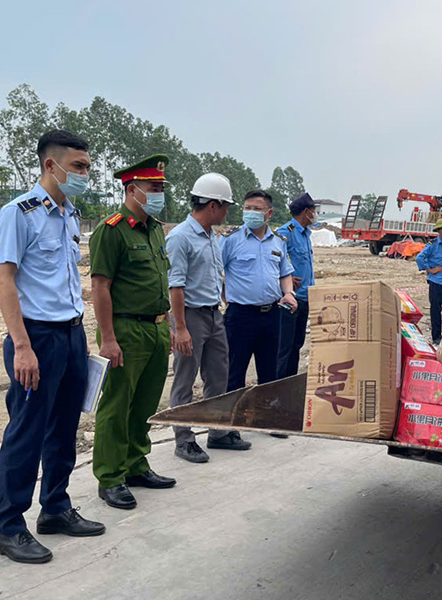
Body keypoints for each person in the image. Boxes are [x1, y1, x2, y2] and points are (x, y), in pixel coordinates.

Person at [0, 129, 105, 564]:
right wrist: (21, 346)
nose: (84, 175)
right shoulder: (19, 213)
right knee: (26, 433)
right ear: (50, 165)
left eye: (87, 167)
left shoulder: (70, 214)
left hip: (71, 334)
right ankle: (9, 527)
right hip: (35, 338)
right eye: (78, 167)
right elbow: (4, 280)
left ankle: (55, 508)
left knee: (64, 428)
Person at [89, 154, 177, 510]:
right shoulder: (111, 230)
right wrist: (108, 339)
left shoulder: (155, 228)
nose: (158, 194)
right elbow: (100, 287)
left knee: (144, 402)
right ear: (131, 189)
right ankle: (110, 476)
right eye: (153, 188)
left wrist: (168, 325)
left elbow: (160, 281)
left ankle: (137, 464)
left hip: (155, 328)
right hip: (124, 330)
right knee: (117, 405)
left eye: (160, 188)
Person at [167, 173, 247, 463]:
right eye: (225, 206)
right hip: (191, 316)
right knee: (185, 379)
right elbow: (175, 286)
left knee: (218, 376)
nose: (227, 212)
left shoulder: (212, 236)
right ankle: (184, 439)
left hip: (214, 315)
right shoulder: (180, 237)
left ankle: (218, 432)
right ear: (212, 205)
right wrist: (181, 328)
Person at [222, 190, 297, 404]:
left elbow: (285, 273)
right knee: (234, 371)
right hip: (240, 316)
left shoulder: (278, 241)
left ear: (269, 213)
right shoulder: (231, 239)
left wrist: (289, 293)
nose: (251, 213)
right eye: (247, 208)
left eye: (257, 209)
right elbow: (215, 271)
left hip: (271, 315)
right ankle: (232, 424)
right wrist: (227, 298)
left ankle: (269, 417)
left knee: (270, 371)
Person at [276, 192, 317, 379]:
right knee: (284, 347)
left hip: (305, 298)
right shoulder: (286, 232)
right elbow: (274, 260)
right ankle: (277, 385)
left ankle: (289, 382)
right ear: (307, 212)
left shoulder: (306, 234)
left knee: (297, 344)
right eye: (314, 211)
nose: (316, 215)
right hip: (290, 299)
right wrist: (285, 277)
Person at [416, 218, 442, 345]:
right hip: (436, 283)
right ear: (439, 231)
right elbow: (419, 258)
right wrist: (431, 269)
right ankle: (436, 337)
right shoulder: (432, 245)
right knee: (436, 311)